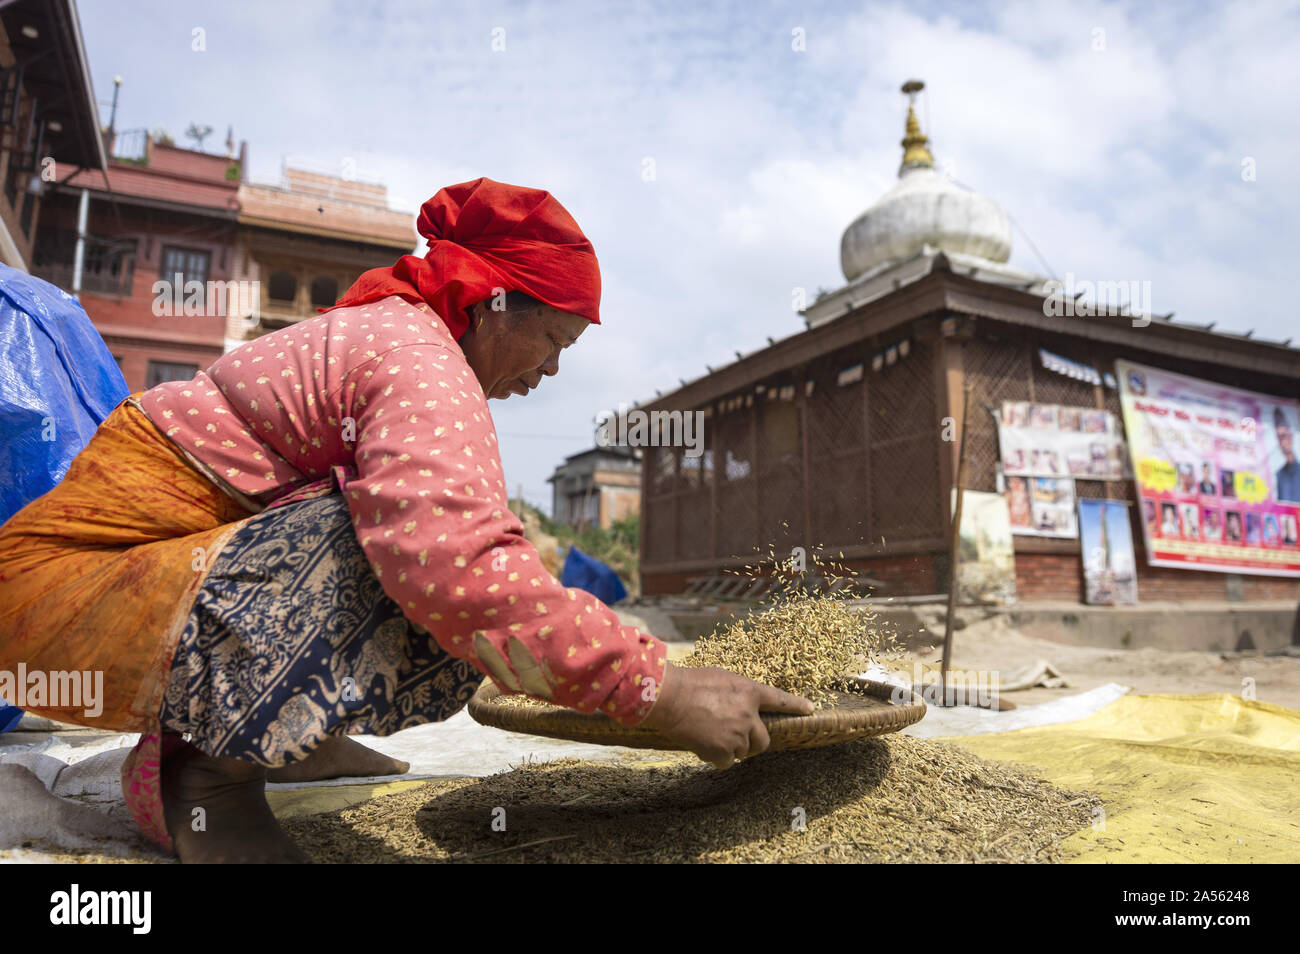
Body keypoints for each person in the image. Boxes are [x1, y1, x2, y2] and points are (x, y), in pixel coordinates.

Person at [0, 178, 812, 863]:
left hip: (112, 594)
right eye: (554, 339)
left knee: (457, 554)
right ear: (495, 306)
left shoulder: (403, 340)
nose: (552, 369)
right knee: (432, 559)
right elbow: (454, 561)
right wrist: (655, 690)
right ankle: (207, 778)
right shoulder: (418, 360)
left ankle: (290, 733)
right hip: (57, 602)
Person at [1274, 407, 1300, 503]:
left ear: (1291, 435)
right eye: (1280, 438)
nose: (1283, 441)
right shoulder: (1279, 475)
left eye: (1284, 436)